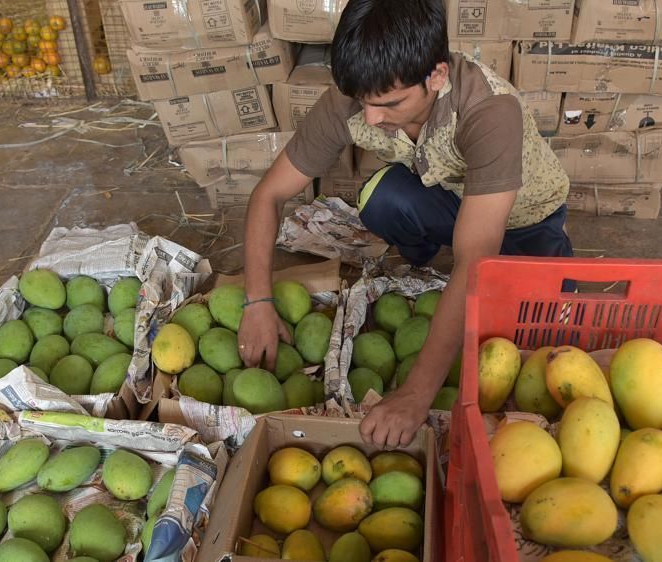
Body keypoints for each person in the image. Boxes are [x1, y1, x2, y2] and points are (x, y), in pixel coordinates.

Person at [236, 0, 573, 449]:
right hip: (452, 197)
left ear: (436, 75)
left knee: (543, 324)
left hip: (528, 218)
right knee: (382, 200)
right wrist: (257, 301)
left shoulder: (489, 111)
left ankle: (523, 263)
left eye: (390, 104)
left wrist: (416, 394)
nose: (371, 118)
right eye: (364, 103)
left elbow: (475, 260)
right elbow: (269, 194)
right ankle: (425, 264)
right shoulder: (359, 94)